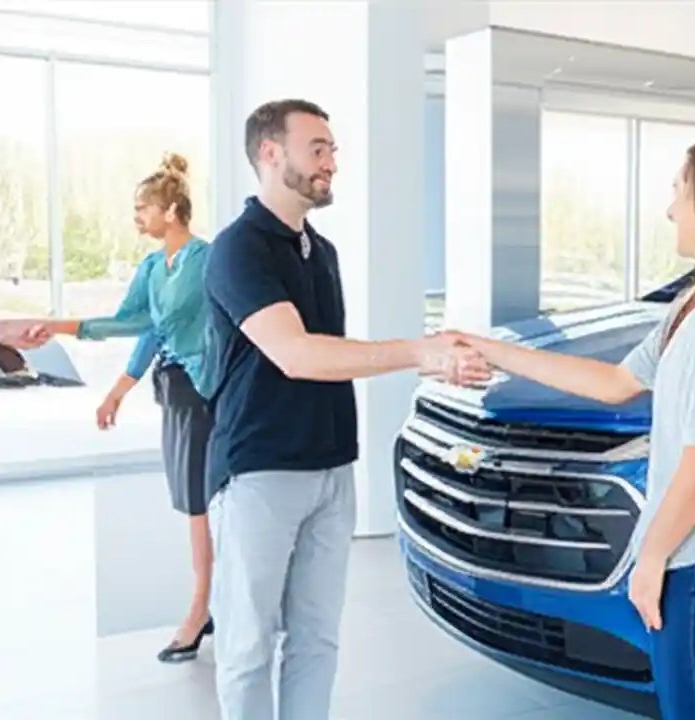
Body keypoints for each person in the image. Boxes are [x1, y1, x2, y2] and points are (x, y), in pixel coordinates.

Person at [456, 134, 695, 720]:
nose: (670, 209)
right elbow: (617, 382)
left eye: (680, 191)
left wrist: (650, 560)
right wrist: (496, 352)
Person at [203, 98, 490, 720]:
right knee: (248, 645)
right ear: (270, 153)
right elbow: (296, 354)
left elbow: (332, 355)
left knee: (317, 639)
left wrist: (431, 355)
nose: (331, 162)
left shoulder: (321, 251)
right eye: (318, 149)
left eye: (332, 149)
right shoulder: (237, 249)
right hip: (259, 472)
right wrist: (418, 352)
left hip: (332, 470)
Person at [25, 153, 218, 664]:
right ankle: (207, 602)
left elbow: (181, 322)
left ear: (171, 211)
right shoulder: (154, 267)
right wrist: (116, 389)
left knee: (199, 501)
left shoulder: (205, 260)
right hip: (173, 389)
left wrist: (65, 327)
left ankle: (200, 608)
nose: (136, 218)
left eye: (143, 208)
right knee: (192, 500)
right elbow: (141, 327)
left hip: (205, 392)